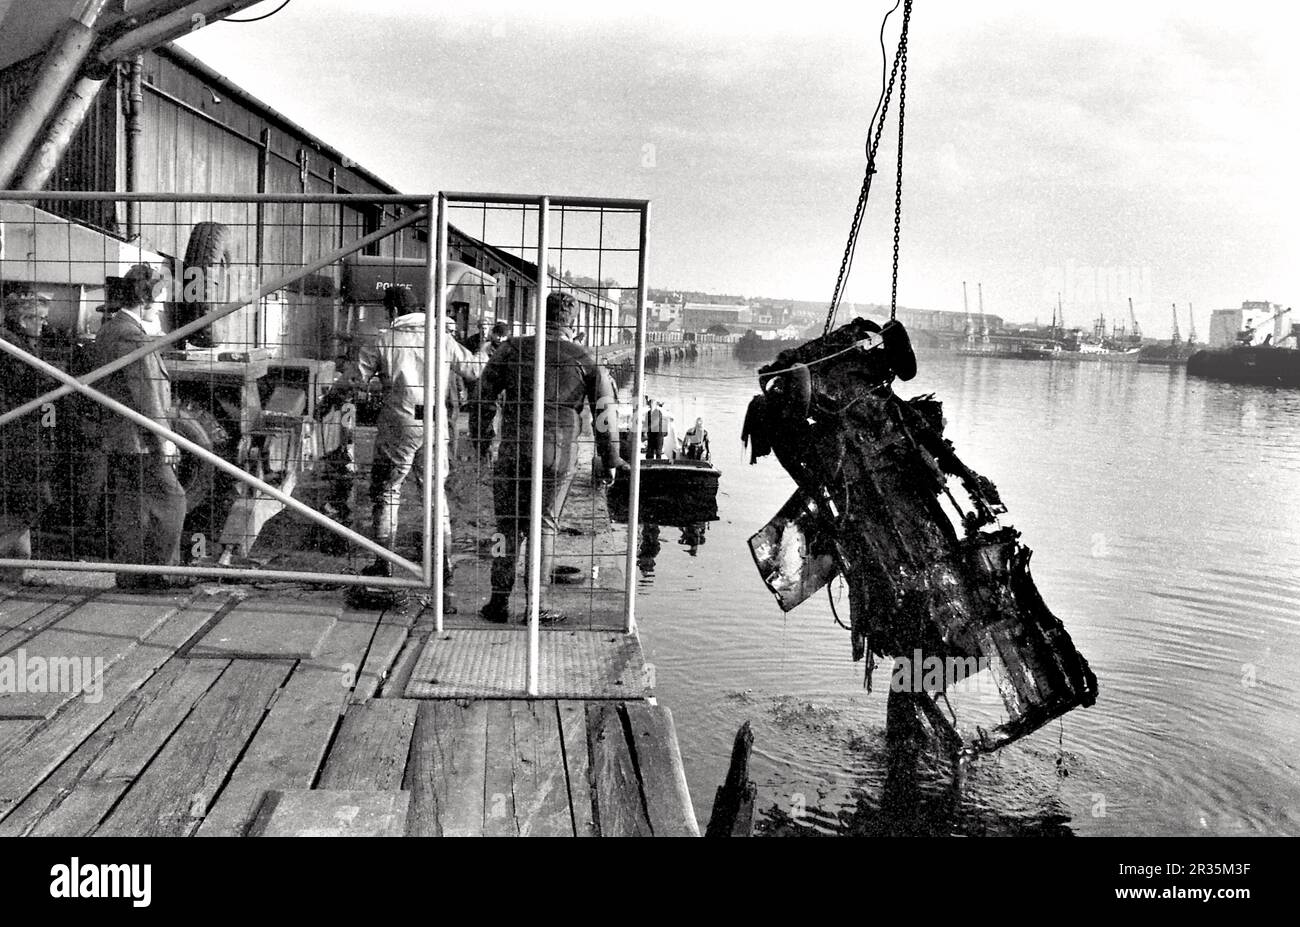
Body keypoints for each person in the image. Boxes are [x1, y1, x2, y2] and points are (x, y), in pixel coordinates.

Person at [479, 291, 624, 624]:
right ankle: (536, 606)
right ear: (571, 320)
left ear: (541, 314)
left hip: (514, 448)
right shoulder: (585, 357)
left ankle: (498, 601)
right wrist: (610, 457)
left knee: (506, 527)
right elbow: (604, 411)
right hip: (557, 454)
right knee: (544, 525)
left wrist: (482, 438)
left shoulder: (511, 348)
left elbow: (483, 393)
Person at [357, 286, 487, 610]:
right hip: (436, 423)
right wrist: (484, 349)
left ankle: (383, 565)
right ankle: (443, 569)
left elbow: (354, 380)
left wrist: (361, 389)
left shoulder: (384, 339)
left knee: (388, 492)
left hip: (398, 423)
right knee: (434, 495)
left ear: (392, 311)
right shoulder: (441, 339)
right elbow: (474, 369)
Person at [94, 264, 190, 590]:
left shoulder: (113, 329)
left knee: (132, 505)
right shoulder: (131, 337)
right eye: (159, 300)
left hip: (121, 438)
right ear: (144, 299)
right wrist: (165, 439)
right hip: (138, 440)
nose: (162, 308)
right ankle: (162, 574)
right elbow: (146, 392)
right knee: (172, 499)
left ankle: (132, 575)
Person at [0, 289, 54, 578]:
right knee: (30, 500)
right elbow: (37, 381)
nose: (45, 325)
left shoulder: (20, 342)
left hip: (21, 434)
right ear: (23, 320)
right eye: (41, 319)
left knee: (15, 505)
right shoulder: (12, 347)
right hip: (16, 436)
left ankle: (16, 572)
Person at [465, 321, 509, 459]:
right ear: (493, 334)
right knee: (483, 424)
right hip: (486, 391)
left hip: (503, 393)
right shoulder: (485, 349)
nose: (500, 339)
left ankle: (492, 452)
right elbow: (477, 369)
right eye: (498, 335)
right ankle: (485, 453)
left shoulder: (510, 350)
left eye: (503, 336)